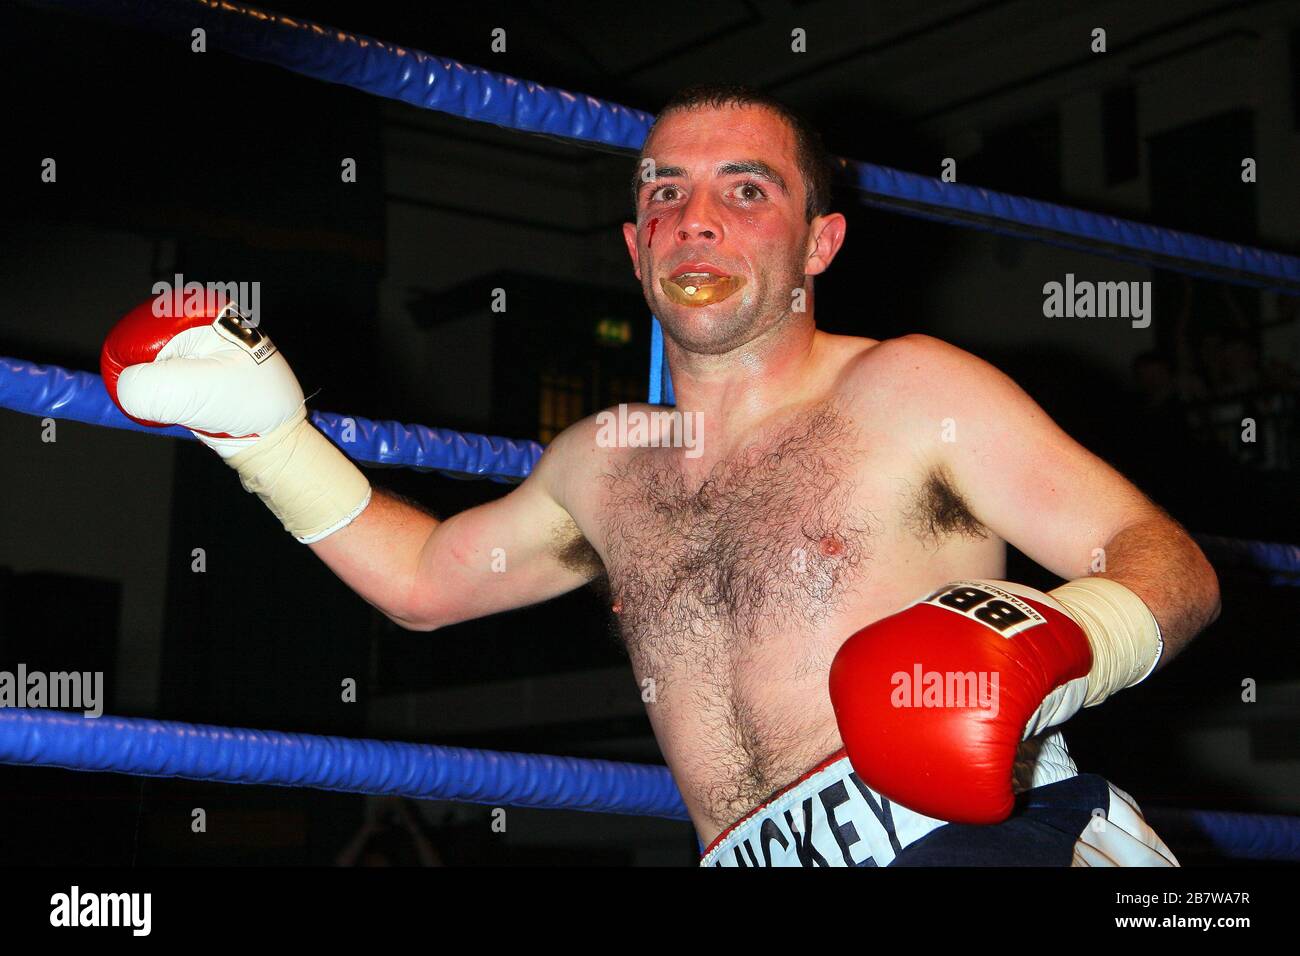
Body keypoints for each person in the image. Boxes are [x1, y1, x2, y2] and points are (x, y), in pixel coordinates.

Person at [100, 84, 1219, 867]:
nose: (695, 221)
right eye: (663, 194)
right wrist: (265, 440)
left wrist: (1056, 648)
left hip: (973, 835)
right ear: (635, 245)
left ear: (818, 244)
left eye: (746, 191)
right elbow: (426, 580)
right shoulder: (604, 460)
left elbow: (1170, 565)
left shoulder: (910, 390)